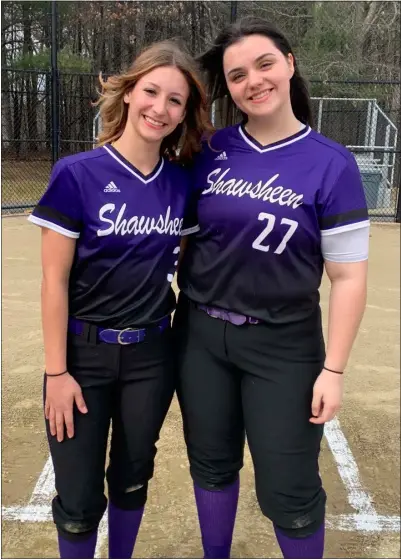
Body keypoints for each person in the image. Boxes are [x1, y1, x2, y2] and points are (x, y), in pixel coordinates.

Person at [173, 17, 369, 559]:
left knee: (288, 487)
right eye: (237, 75)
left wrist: (334, 369)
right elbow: (187, 242)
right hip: (201, 337)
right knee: (211, 465)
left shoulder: (332, 163)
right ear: (229, 87)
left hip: (285, 346)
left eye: (264, 65)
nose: (253, 81)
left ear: (289, 64)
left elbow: (349, 277)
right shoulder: (208, 151)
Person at [28, 39, 212, 559]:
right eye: (151, 91)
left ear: (184, 113)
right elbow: (53, 282)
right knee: (81, 496)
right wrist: (56, 373)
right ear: (129, 93)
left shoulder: (180, 183)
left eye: (175, 100)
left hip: (152, 355)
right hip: (82, 355)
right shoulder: (77, 173)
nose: (161, 108)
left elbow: (183, 260)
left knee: (133, 476)